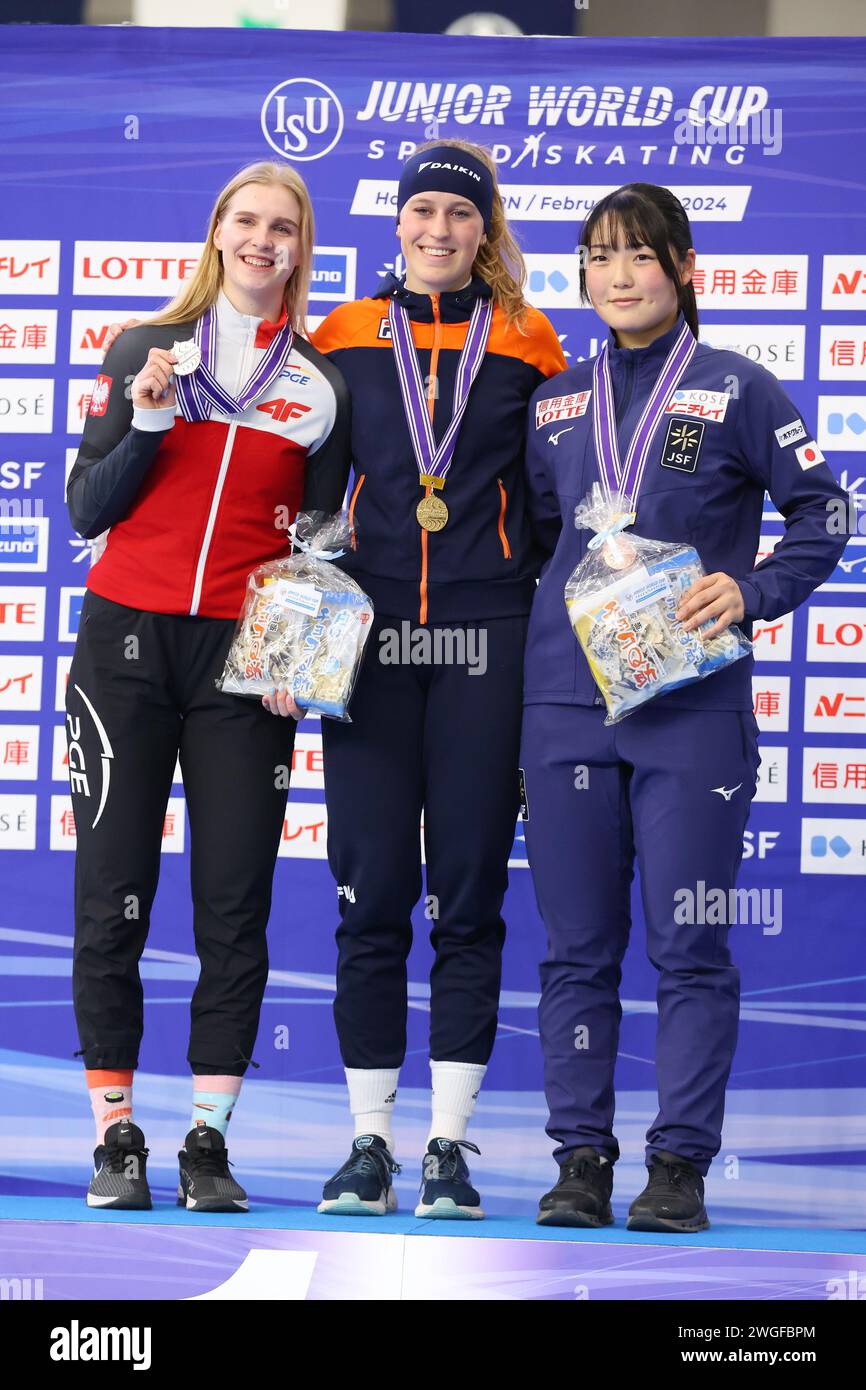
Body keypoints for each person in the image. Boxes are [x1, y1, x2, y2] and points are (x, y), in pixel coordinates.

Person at [520, 181, 849, 1231]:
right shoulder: (554, 401)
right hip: (566, 706)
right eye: (597, 257)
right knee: (575, 948)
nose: (616, 276)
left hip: (688, 708)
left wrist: (750, 592)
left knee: (687, 944)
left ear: (683, 267)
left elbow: (822, 510)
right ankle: (578, 1158)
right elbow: (532, 543)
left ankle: (676, 1168)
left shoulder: (737, 386)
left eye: (638, 255)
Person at [267, 140, 567, 1219]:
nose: (437, 229)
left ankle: (446, 1145)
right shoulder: (343, 335)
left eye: (458, 215)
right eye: (421, 211)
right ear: (397, 223)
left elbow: (550, 507)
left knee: (472, 892)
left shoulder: (532, 344)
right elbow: (309, 503)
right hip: (375, 642)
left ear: (484, 232)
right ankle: (366, 1144)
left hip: (488, 639)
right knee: (371, 887)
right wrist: (293, 647)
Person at [65, 161, 350, 1212]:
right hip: (124, 648)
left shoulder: (320, 385)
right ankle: (116, 1134)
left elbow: (318, 543)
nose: (261, 240)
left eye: (282, 226)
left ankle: (206, 1139)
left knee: (234, 905)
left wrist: (294, 657)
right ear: (216, 232)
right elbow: (84, 512)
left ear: (299, 246)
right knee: (111, 898)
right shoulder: (144, 348)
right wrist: (145, 421)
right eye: (245, 221)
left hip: (241, 667)